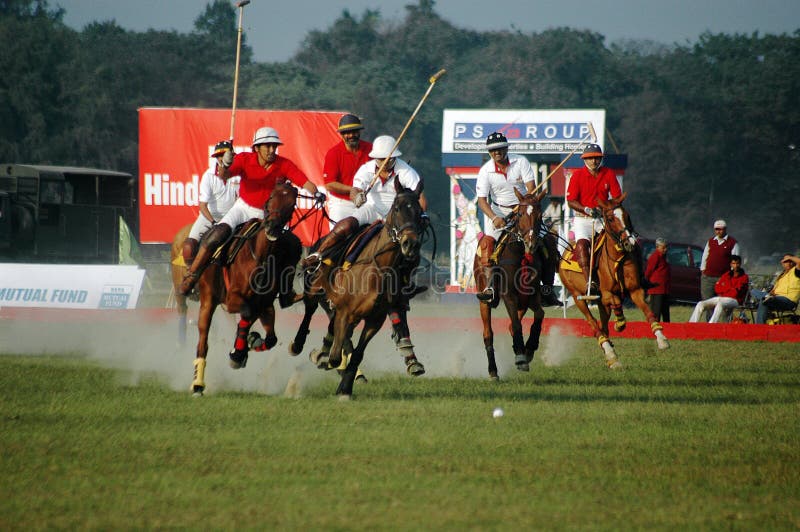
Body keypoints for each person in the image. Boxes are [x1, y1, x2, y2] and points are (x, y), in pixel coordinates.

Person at [179, 126, 324, 303]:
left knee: (293, 246)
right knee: (217, 234)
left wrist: (315, 193)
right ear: (256, 147)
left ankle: (287, 292)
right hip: (243, 209)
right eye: (267, 146)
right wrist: (225, 163)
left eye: (274, 146)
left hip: (269, 218)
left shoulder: (284, 164)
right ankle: (191, 277)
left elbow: (304, 181)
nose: (272, 150)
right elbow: (224, 175)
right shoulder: (244, 159)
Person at [303, 135, 427, 268]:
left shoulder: (406, 171)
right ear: (375, 158)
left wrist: (421, 214)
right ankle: (319, 254)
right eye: (381, 160)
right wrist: (356, 197)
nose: (384, 163)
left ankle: (407, 279)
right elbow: (355, 190)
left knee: (411, 242)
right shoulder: (366, 169)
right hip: (372, 209)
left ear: (394, 158)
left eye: (388, 160)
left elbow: (420, 198)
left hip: (395, 214)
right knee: (347, 224)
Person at [474, 132, 562, 306]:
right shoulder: (485, 171)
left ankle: (547, 288)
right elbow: (482, 201)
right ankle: (490, 287)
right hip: (499, 213)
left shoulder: (521, 162)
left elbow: (531, 188)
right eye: (493, 150)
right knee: (488, 245)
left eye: (500, 148)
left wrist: (525, 205)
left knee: (548, 241)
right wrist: (493, 218)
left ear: (506, 148)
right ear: (490, 153)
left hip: (524, 211)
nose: (497, 152)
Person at [565, 143, 623, 299]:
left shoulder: (608, 173)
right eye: (590, 158)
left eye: (596, 158)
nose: (593, 161)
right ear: (584, 159)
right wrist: (587, 209)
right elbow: (570, 200)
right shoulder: (577, 175)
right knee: (582, 245)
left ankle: (633, 277)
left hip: (603, 218)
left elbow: (617, 197)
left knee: (623, 239)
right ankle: (589, 280)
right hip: (583, 219)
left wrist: (608, 208)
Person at [181, 140, 240, 269]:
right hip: (210, 218)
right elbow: (203, 206)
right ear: (216, 158)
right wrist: (214, 223)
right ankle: (190, 276)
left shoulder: (238, 175)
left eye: (225, 155)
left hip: (232, 218)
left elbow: (240, 200)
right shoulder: (208, 176)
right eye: (220, 156)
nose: (222, 158)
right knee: (189, 247)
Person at [322, 113, 373, 227]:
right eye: (347, 133)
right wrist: (353, 190)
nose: (351, 135)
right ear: (341, 134)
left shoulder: (371, 149)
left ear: (359, 132)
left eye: (354, 131)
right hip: (342, 204)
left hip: (367, 203)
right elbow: (329, 184)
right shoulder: (334, 153)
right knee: (337, 239)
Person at [689, 255, 749, 323]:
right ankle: (692, 324)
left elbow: (737, 293)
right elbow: (717, 288)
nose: (736, 265)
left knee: (720, 304)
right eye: (733, 263)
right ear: (731, 264)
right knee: (701, 304)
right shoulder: (727, 275)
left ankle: (711, 324)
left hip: (736, 300)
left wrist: (725, 289)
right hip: (722, 297)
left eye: (737, 263)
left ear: (740, 264)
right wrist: (730, 289)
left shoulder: (744, 277)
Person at [700, 219, 740, 305]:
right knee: (707, 303)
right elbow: (705, 256)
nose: (718, 231)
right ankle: (709, 319)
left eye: (721, 229)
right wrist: (703, 269)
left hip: (723, 278)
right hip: (707, 278)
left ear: (725, 229)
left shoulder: (732, 243)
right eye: (716, 229)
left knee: (723, 303)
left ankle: (722, 319)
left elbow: (735, 261)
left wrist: (731, 276)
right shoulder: (711, 241)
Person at [753, 254, 800, 324]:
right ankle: (766, 297)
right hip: (775, 297)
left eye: (789, 261)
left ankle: (759, 327)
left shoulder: (796, 271)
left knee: (765, 301)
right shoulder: (781, 275)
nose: (786, 263)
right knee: (754, 291)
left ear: (793, 262)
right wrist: (772, 292)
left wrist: (789, 257)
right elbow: (774, 289)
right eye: (785, 261)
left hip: (788, 300)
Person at [644, 237, 671, 322]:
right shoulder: (655, 257)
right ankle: (655, 330)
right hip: (656, 290)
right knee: (656, 313)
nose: (665, 249)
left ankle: (668, 330)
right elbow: (648, 271)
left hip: (664, 289)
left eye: (666, 247)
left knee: (666, 313)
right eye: (663, 248)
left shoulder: (663, 257)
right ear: (657, 247)